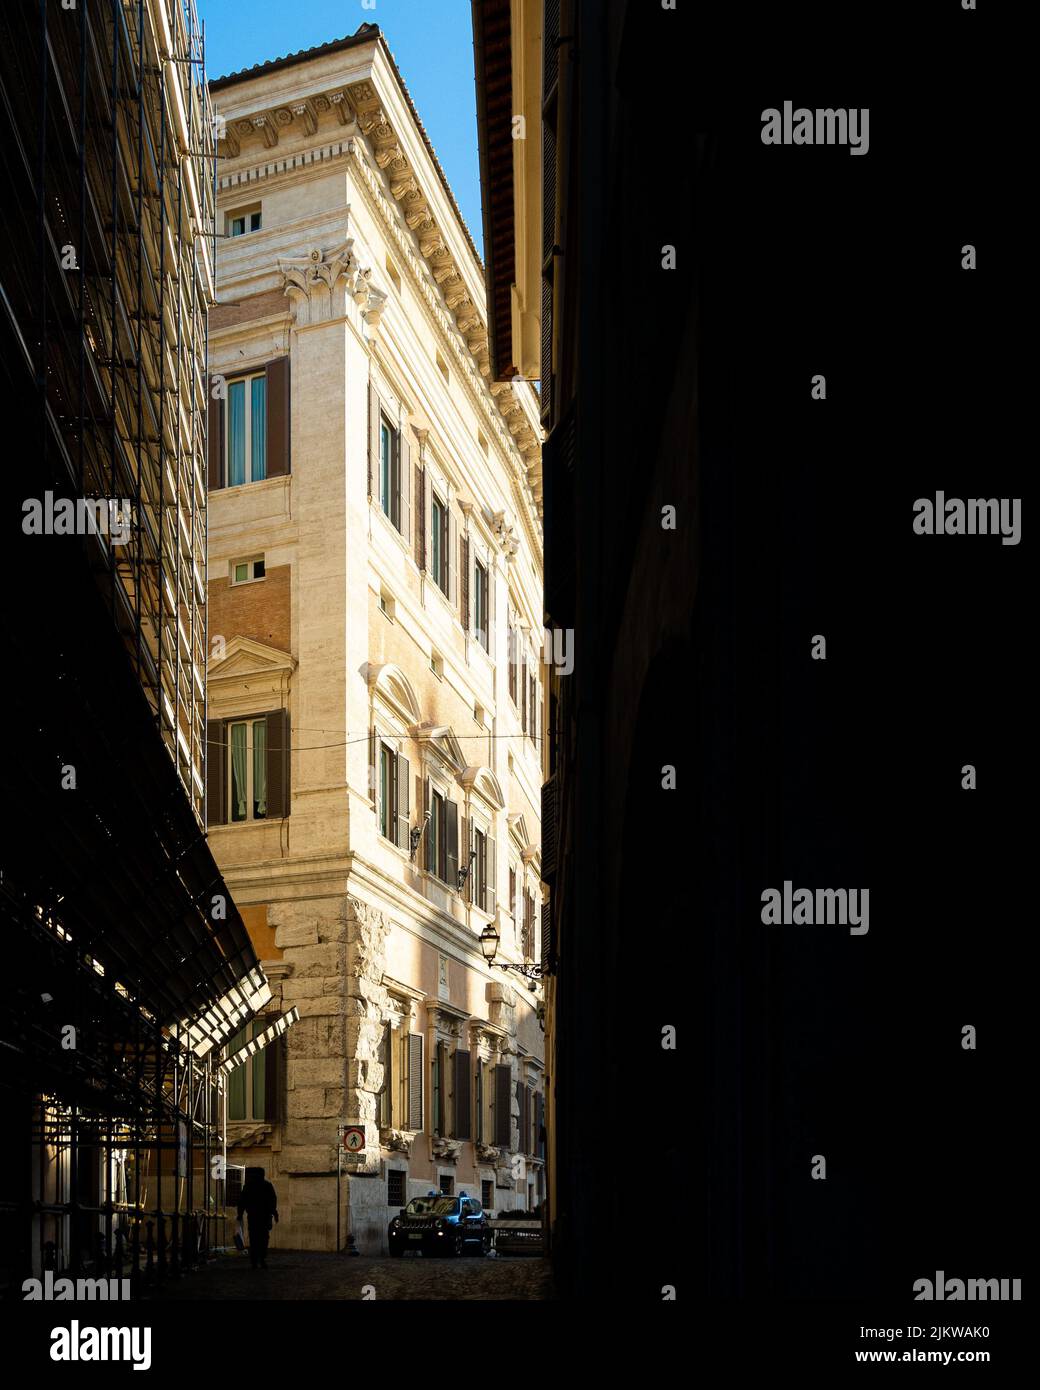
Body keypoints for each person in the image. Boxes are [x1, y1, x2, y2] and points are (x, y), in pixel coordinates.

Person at [237, 1166, 278, 1269]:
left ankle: (255, 1261)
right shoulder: (267, 1185)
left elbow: (242, 1201)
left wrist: (240, 1213)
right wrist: (274, 1213)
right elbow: (272, 1200)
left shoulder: (249, 1186)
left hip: (253, 1217)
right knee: (263, 1239)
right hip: (264, 1217)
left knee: (254, 1239)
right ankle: (261, 1259)